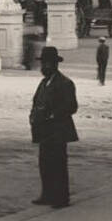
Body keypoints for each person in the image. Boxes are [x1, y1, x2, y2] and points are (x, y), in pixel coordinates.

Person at [29, 46, 78, 209]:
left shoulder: (65, 83)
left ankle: (61, 198)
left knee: (58, 164)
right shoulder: (44, 83)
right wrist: (33, 117)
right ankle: (47, 194)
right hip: (44, 131)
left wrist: (52, 115)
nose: (45, 67)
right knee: (45, 164)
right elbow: (36, 102)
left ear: (55, 65)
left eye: (48, 64)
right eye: (44, 64)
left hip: (58, 131)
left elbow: (72, 106)